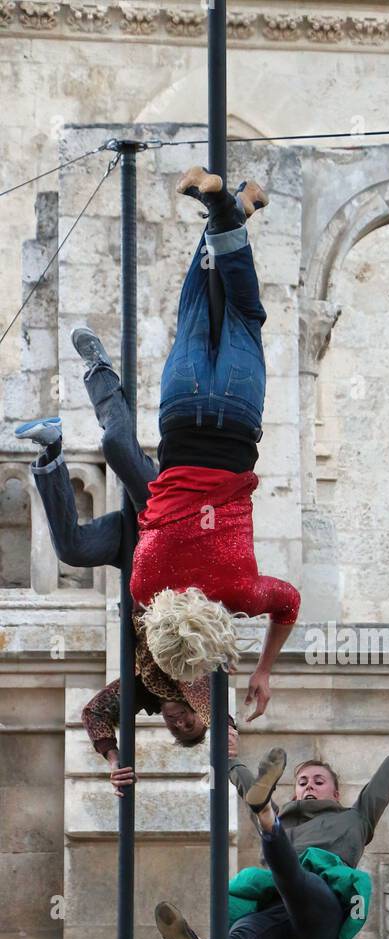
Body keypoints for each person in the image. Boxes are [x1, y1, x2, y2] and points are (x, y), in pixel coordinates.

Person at [15, 167, 300, 700]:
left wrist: (263, 668)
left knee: (243, 314)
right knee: (194, 307)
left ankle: (235, 207)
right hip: (182, 413)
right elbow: (152, 546)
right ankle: (226, 208)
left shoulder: (239, 593)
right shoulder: (146, 583)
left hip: (238, 417)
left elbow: (288, 602)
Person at [153, 720, 389, 939]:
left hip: (320, 909)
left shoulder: (357, 817)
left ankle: (265, 819)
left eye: (318, 781)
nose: (309, 785)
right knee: (243, 937)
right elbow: (244, 787)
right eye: (302, 782)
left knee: (295, 876)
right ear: (295, 794)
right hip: (283, 927)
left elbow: (388, 776)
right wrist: (229, 758)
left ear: (336, 794)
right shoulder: (287, 822)